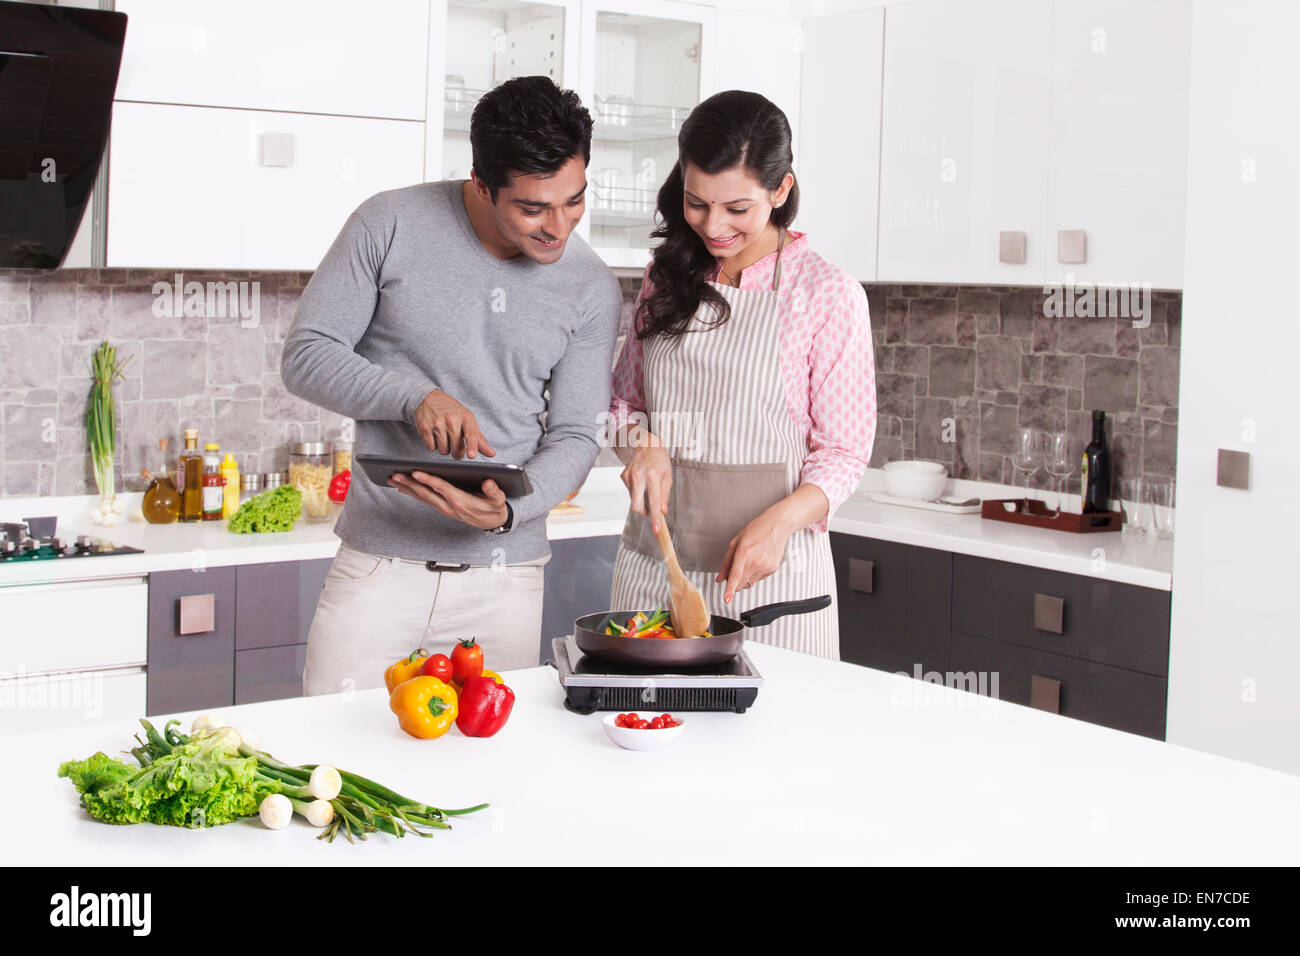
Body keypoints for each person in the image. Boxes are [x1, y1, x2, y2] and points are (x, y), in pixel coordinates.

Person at [283, 76, 623, 694]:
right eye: (531, 207)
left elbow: (577, 435)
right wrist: (413, 398)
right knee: (333, 759)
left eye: (574, 201)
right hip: (378, 569)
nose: (558, 227)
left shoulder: (591, 287)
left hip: (505, 577)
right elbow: (307, 355)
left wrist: (510, 511)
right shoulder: (388, 223)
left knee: (485, 775)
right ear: (482, 183)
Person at [606, 90, 876, 659]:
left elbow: (844, 454)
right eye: (697, 203)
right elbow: (622, 406)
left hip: (772, 584)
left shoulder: (826, 295)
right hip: (657, 574)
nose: (713, 226)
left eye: (737, 208)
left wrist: (779, 524)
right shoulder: (665, 275)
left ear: (781, 191)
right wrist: (640, 446)